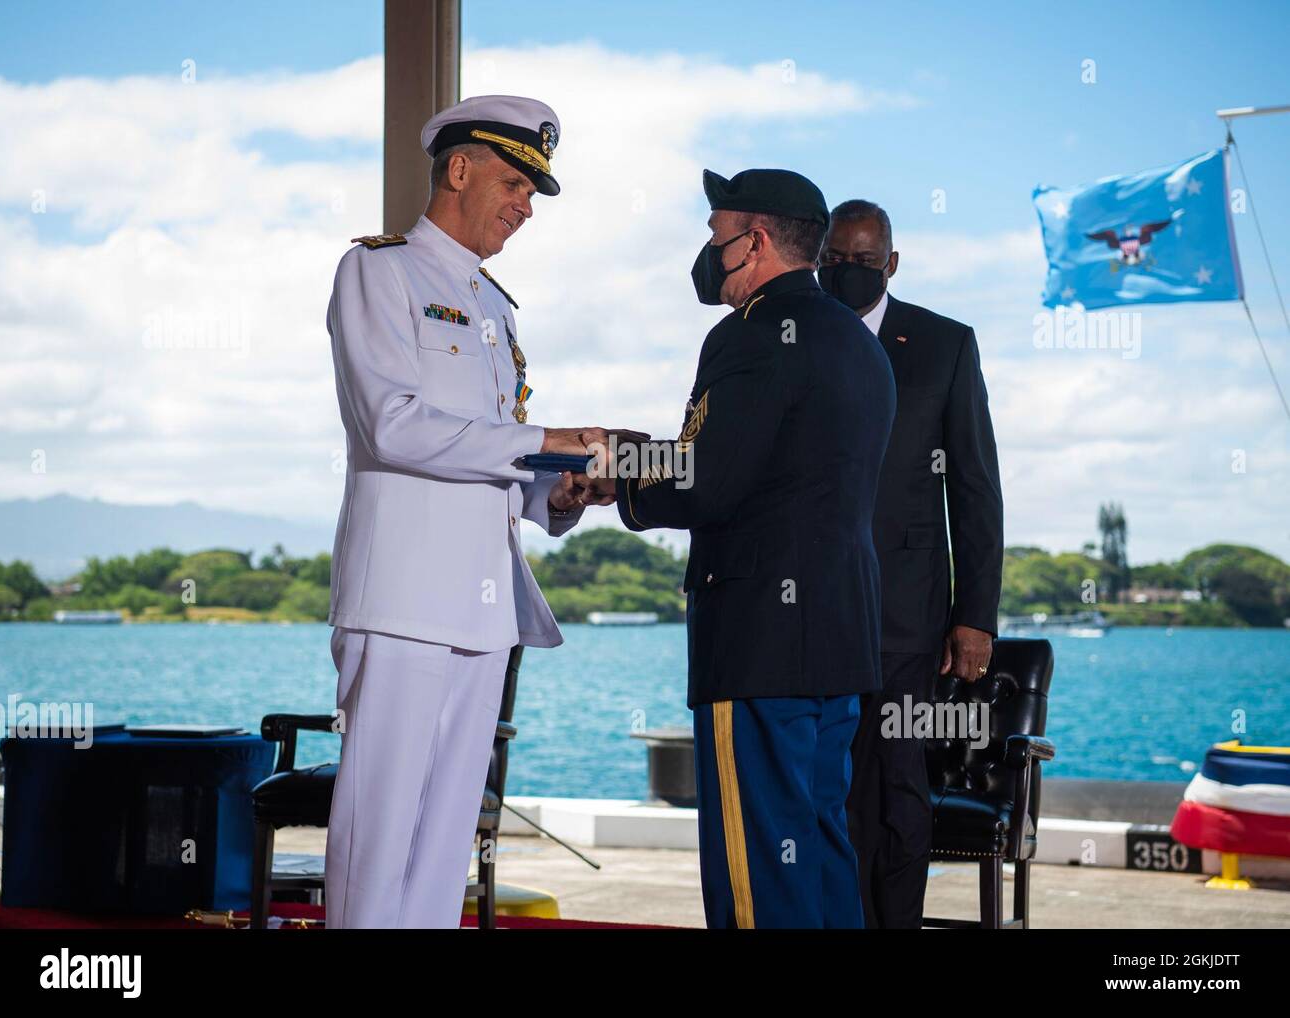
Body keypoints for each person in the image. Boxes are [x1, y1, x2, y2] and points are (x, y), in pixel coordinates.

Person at [578, 169, 895, 928]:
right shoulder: (858, 341)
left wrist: (618, 469)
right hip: (838, 642)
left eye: (716, 236)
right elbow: (773, 471)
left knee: (757, 873)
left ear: (753, 242)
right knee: (818, 853)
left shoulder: (749, 336)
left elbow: (708, 478)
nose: (708, 252)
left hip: (758, 642)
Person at [323, 94, 611, 928]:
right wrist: (542, 435)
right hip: (403, 601)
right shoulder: (377, 273)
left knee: (445, 845)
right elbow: (393, 426)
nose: (526, 208)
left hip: (484, 612)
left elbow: (491, 455)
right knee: (379, 839)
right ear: (459, 168)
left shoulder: (495, 308)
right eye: (517, 185)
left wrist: (554, 489)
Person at [819, 199, 1004, 929]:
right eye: (837, 259)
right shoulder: (795, 334)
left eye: (865, 261)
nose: (850, 271)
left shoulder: (945, 344)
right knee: (826, 788)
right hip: (815, 611)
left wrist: (974, 618)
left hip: (911, 622)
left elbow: (976, 488)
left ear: (891, 263)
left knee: (899, 788)